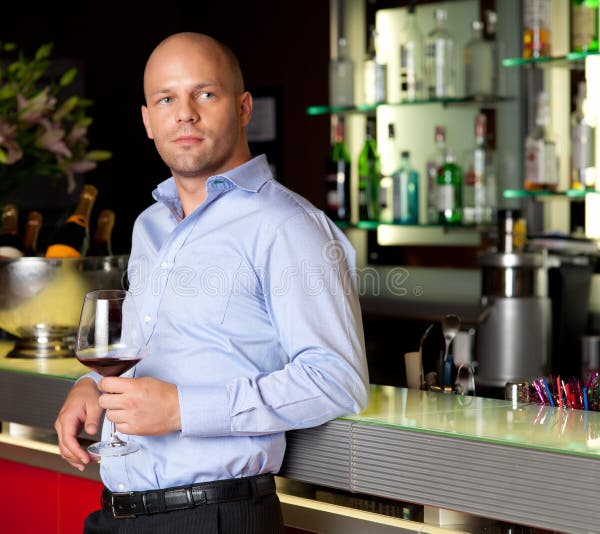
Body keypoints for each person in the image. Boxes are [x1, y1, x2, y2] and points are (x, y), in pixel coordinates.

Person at [55, 31, 369, 534]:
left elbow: (337, 380)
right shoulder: (149, 226)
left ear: (243, 108)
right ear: (148, 121)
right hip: (116, 512)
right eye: (166, 98)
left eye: (205, 93)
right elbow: (146, 347)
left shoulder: (288, 225)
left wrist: (183, 410)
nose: (185, 113)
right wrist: (90, 385)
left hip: (213, 517)